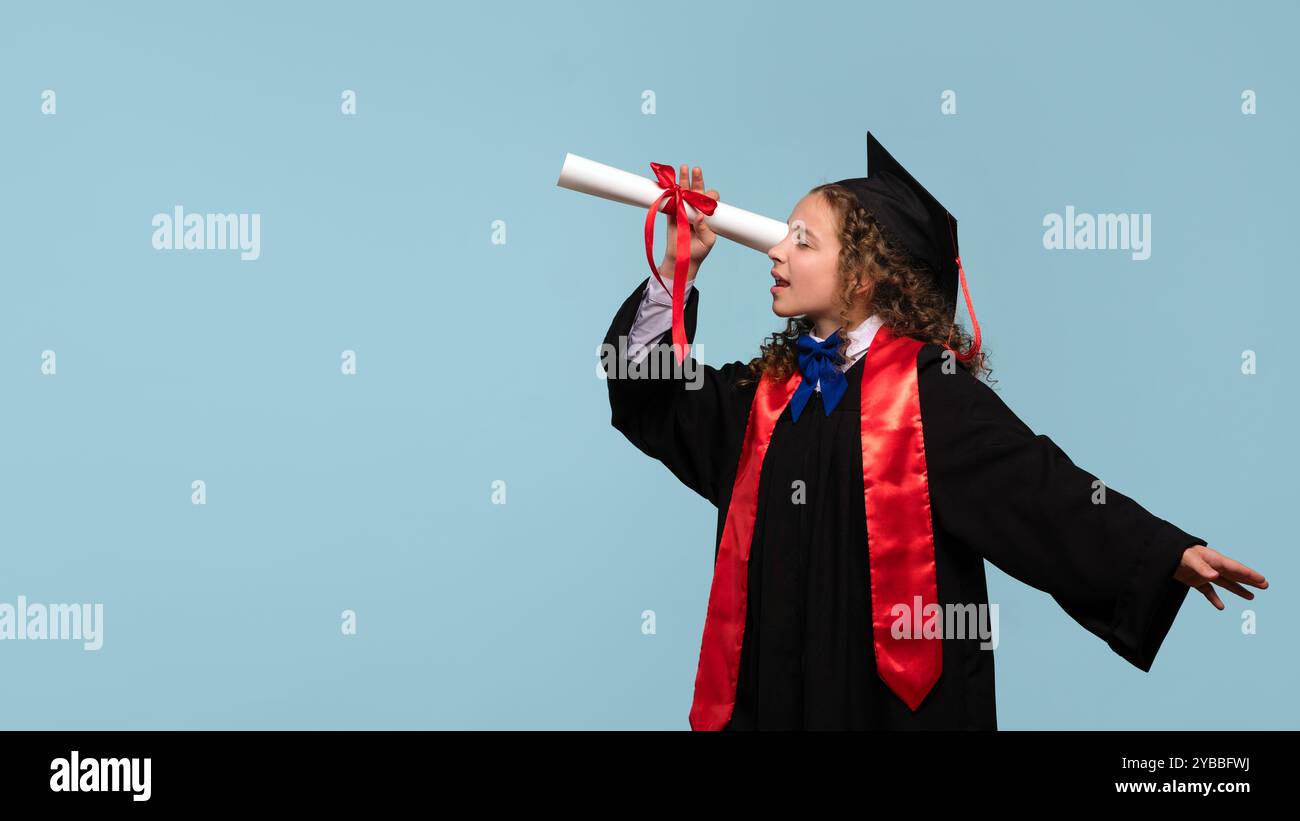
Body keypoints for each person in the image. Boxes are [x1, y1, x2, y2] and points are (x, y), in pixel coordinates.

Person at [602, 136, 1269, 731]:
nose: (775, 250)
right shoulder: (763, 397)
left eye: (802, 239)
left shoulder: (929, 393)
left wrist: (1159, 551)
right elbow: (647, 392)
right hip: (768, 696)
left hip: (888, 707)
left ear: (864, 274)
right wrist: (677, 266)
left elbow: (1038, 489)